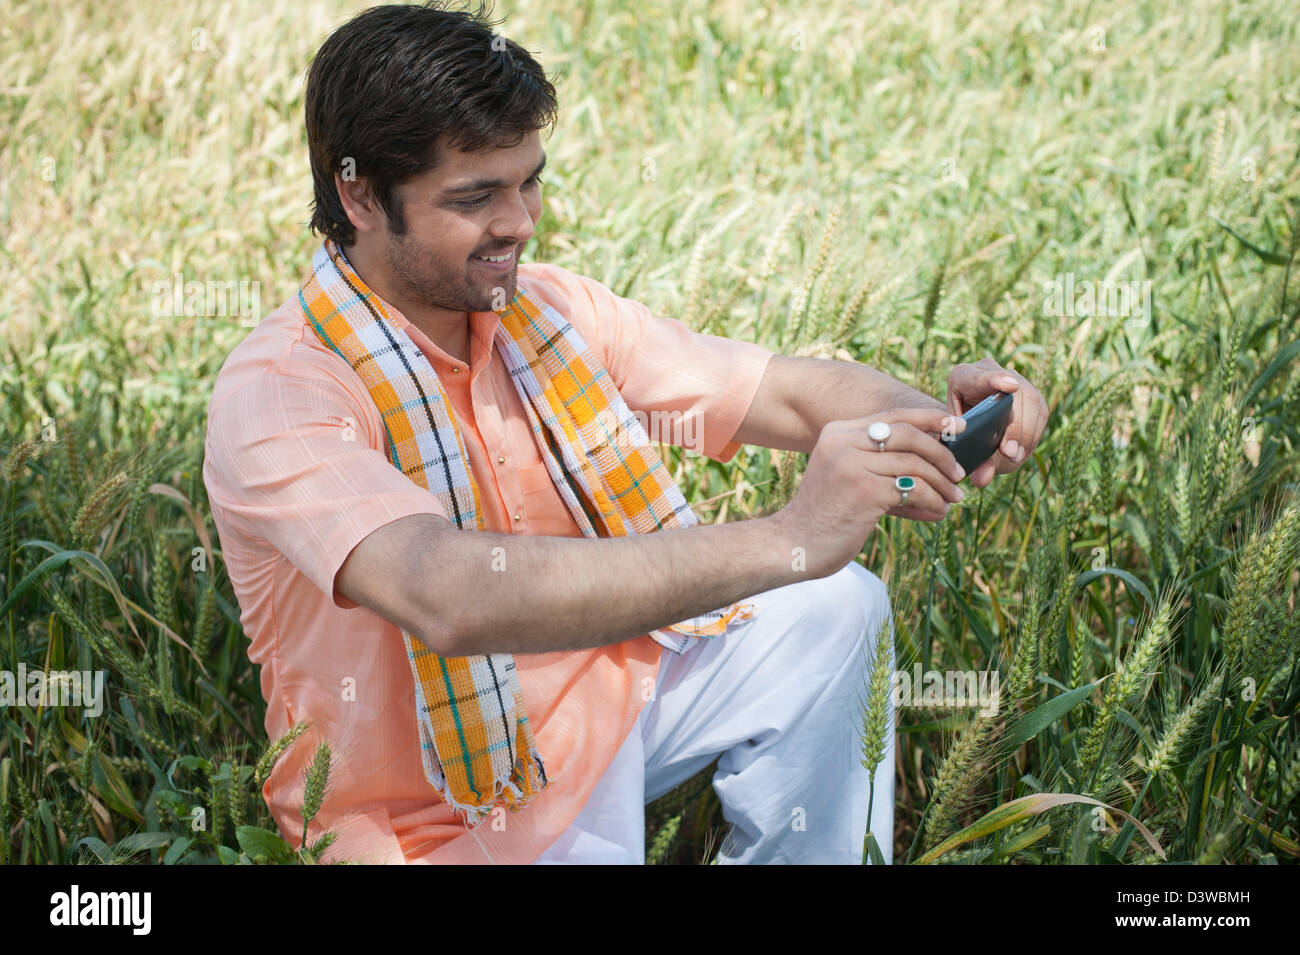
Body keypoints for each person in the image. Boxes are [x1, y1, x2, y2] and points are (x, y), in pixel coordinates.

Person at [201, 0, 1047, 865]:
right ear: (359, 193)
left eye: (529, 179)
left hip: (594, 704)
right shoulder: (281, 392)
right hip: (430, 819)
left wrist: (944, 424)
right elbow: (445, 594)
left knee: (835, 608)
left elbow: (786, 394)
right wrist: (789, 537)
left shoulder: (548, 315)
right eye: (476, 196)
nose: (521, 221)